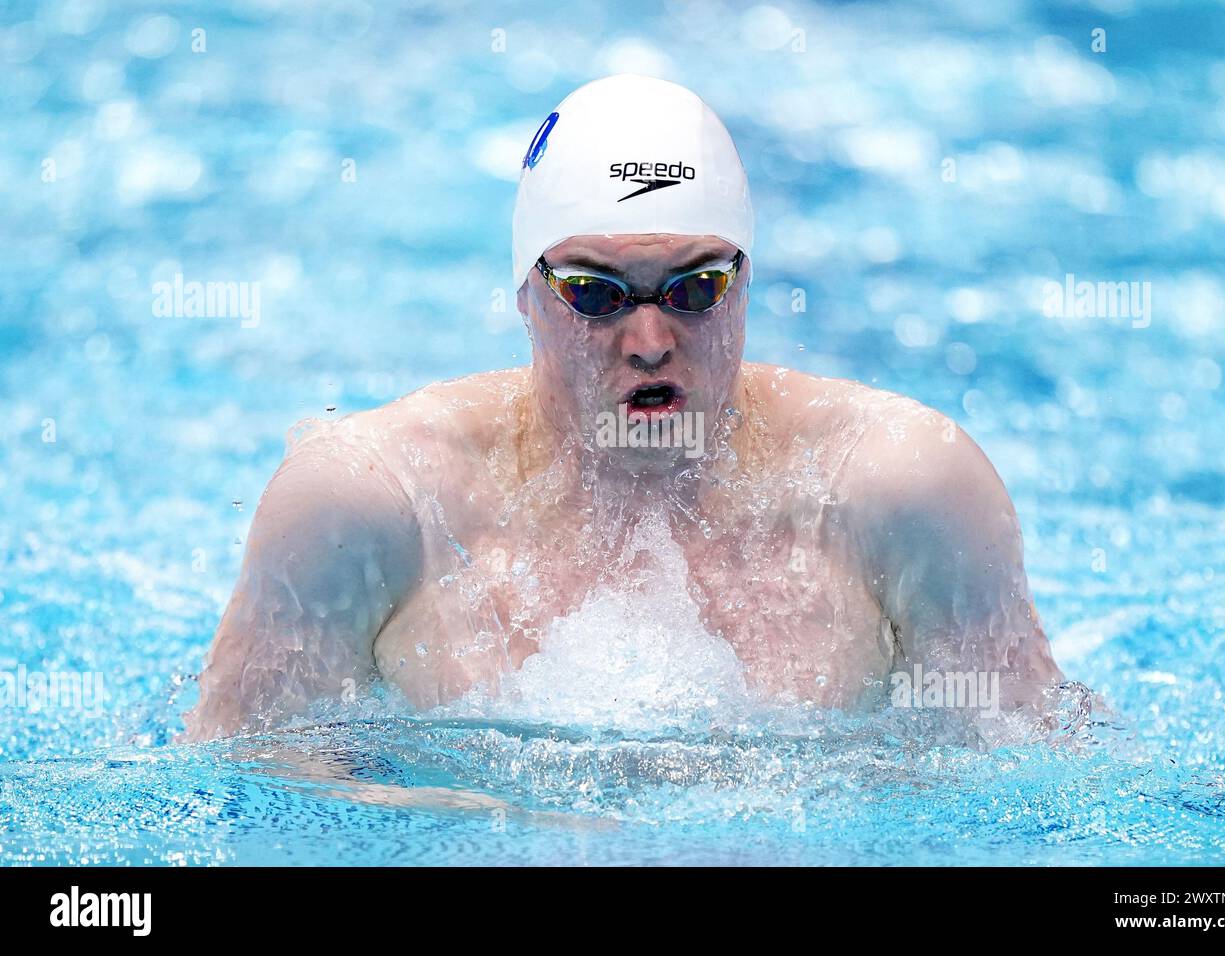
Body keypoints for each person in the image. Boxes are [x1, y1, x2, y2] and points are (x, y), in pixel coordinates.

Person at [183, 74, 1063, 741]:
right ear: (525, 295)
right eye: (596, 293)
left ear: (747, 282)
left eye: (695, 287)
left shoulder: (905, 492)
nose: (648, 338)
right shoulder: (371, 506)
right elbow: (255, 804)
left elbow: (1033, 795)